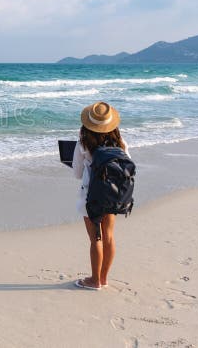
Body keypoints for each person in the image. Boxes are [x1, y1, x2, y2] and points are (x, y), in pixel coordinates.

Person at [72, 101, 129, 291]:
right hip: (112, 194)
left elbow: (77, 174)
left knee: (95, 239)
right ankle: (103, 279)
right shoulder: (120, 143)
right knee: (109, 237)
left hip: (90, 196)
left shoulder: (83, 144)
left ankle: (94, 281)